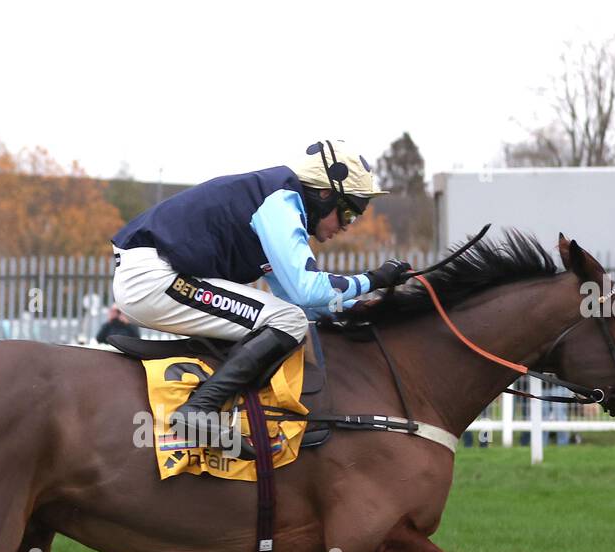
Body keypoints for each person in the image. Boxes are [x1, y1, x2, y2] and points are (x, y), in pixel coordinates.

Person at [110, 139, 402, 457]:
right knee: (287, 321)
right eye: (348, 212)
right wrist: (373, 280)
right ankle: (200, 408)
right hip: (154, 278)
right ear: (324, 193)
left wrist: (357, 307)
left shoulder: (277, 204)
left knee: (288, 316)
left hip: (154, 274)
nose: (346, 226)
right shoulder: (280, 203)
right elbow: (307, 290)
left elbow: (298, 298)